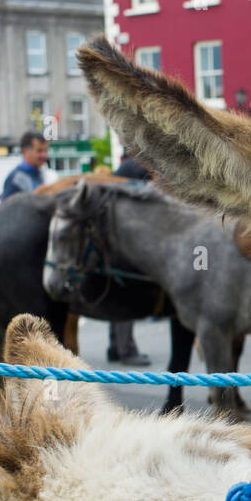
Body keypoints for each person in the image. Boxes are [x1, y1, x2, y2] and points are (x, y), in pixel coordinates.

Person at [106, 150, 153, 365]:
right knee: (127, 296)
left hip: (114, 238)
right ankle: (127, 350)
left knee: (117, 296)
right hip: (127, 241)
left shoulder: (124, 168)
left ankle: (115, 347)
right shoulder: (139, 168)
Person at [0, 131, 49, 201]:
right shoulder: (15, 178)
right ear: (25, 150)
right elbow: (6, 209)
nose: (44, 155)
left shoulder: (41, 174)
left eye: (46, 151)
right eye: (39, 151)